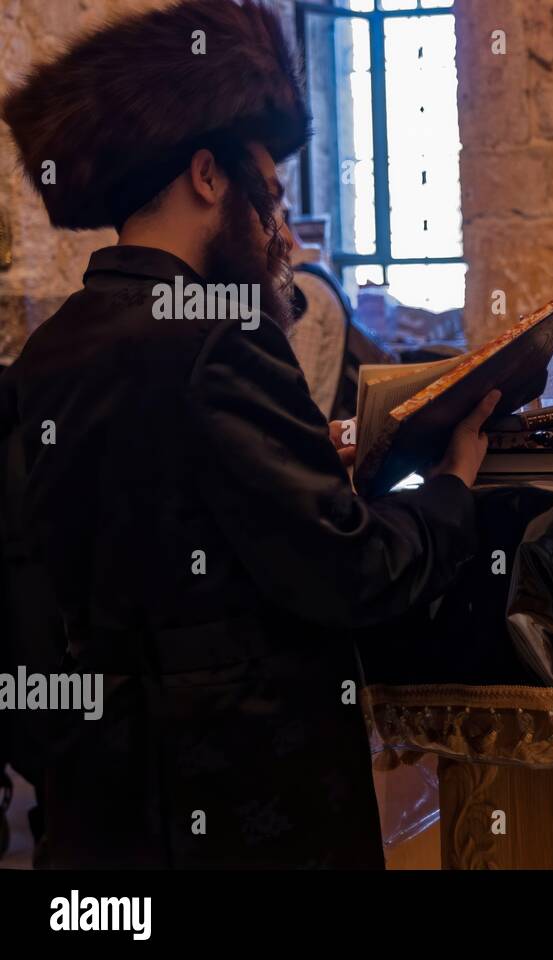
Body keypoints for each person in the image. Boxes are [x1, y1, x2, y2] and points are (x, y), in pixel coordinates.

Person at [0, 0, 496, 867]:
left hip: (102, 797)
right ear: (206, 177)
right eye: (268, 199)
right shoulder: (221, 333)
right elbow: (351, 574)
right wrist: (454, 482)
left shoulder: (49, 346)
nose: (279, 236)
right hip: (239, 787)